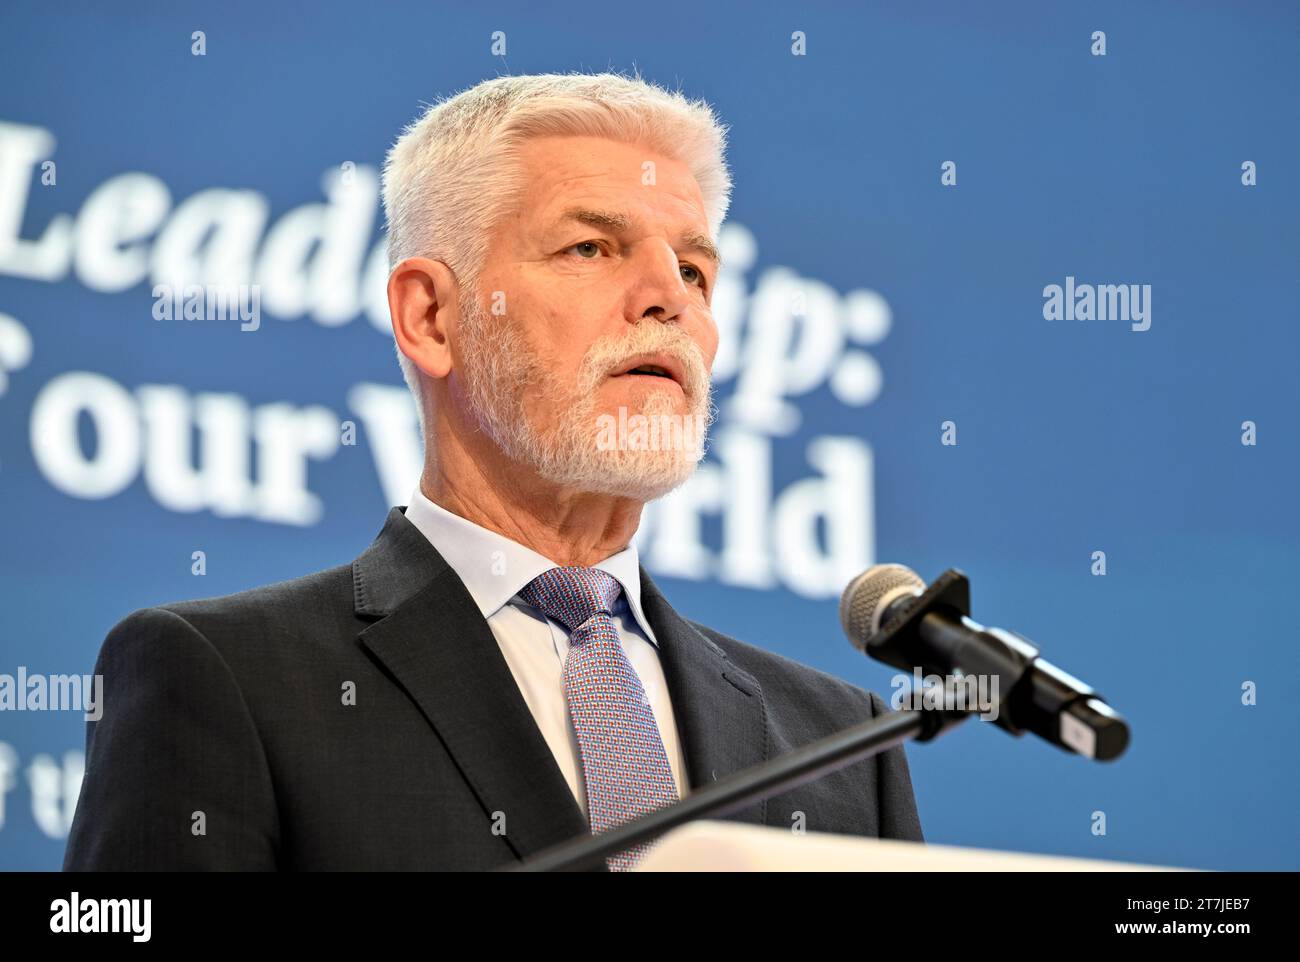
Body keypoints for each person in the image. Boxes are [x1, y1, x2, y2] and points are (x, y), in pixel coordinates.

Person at [63, 71, 922, 872]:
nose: (671, 297)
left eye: (695, 270)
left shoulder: (841, 743)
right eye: (592, 248)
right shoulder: (226, 675)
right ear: (431, 316)